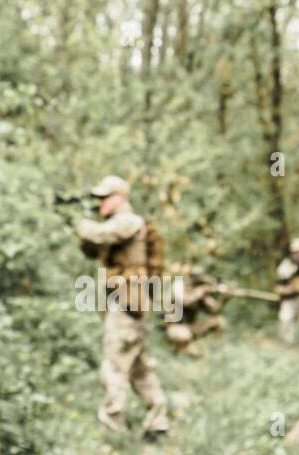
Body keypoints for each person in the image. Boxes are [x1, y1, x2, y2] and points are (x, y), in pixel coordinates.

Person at [74, 175, 169, 437]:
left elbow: (100, 234)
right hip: (129, 304)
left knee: (115, 364)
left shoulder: (128, 220)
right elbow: (91, 249)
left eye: (104, 198)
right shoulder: (118, 223)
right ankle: (157, 419)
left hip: (126, 304)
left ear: (119, 197)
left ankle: (112, 422)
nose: (100, 203)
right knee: (140, 367)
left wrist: (79, 222)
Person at [164, 264, 227, 355]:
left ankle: (213, 350)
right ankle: (181, 352)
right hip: (175, 327)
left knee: (219, 322)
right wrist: (199, 292)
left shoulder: (199, 295)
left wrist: (223, 299)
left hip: (190, 327)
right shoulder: (180, 288)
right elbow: (185, 301)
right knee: (183, 334)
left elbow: (214, 310)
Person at [275, 237, 299, 344]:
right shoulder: (286, 266)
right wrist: (289, 289)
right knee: (286, 318)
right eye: (297, 252)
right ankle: (288, 344)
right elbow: (278, 286)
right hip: (290, 298)